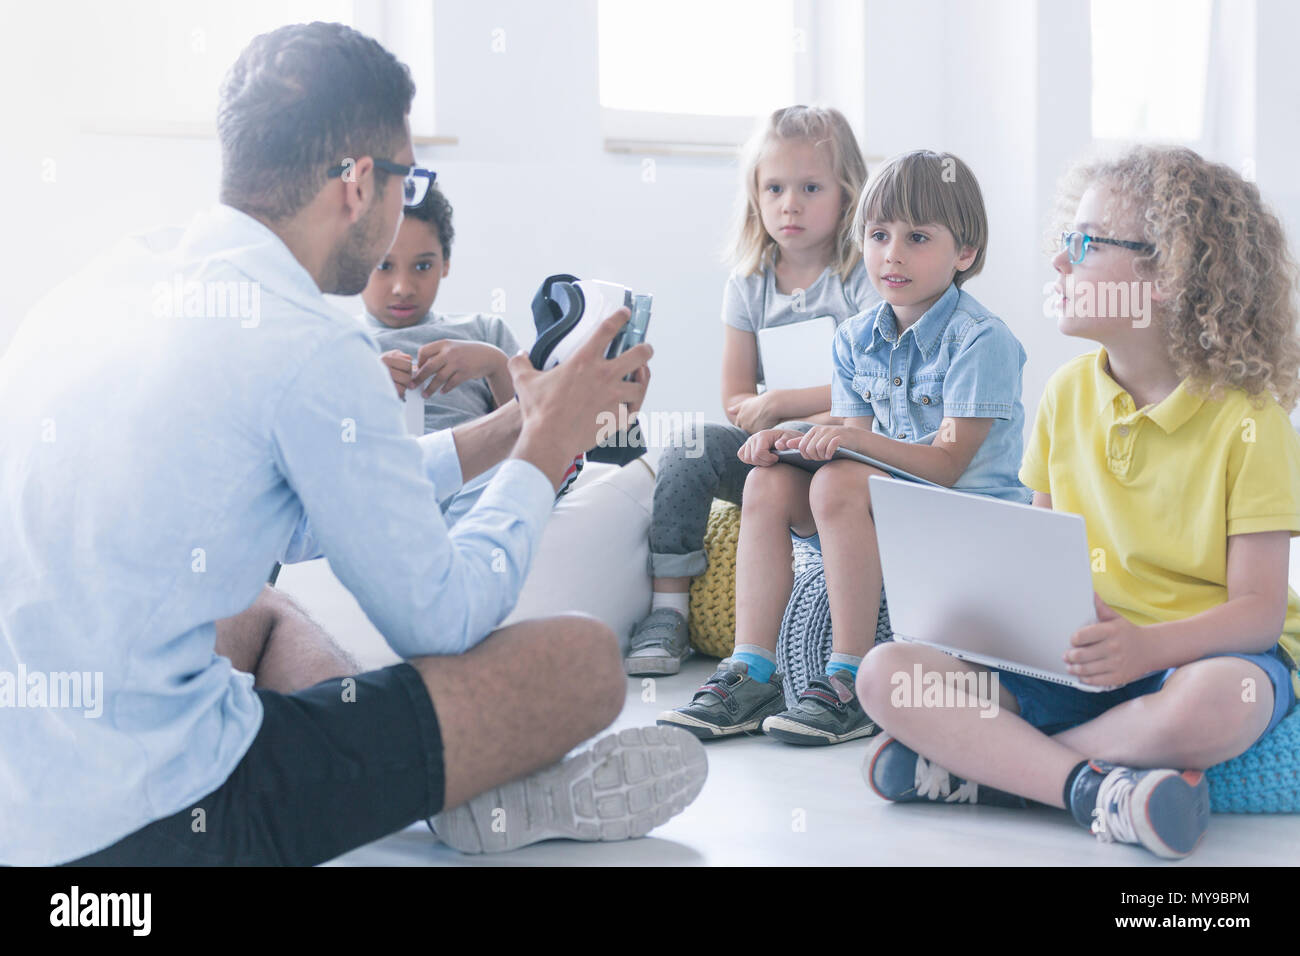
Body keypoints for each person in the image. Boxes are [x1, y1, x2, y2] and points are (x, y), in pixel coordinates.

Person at [0, 21, 706, 866]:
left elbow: (285, 512)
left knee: (260, 608)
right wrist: (548, 448)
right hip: (159, 823)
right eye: (409, 180)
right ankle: (472, 792)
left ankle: (439, 784)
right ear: (360, 181)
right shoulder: (307, 341)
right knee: (585, 659)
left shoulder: (110, 280)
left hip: (24, 808)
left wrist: (519, 421)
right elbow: (440, 620)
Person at [858, 145, 1300, 859]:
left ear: (1168, 274)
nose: (1059, 264)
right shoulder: (1066, 394)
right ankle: (1091, 788)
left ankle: (1006, 774)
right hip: (1075, 660)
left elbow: (1256, 617)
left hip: (1192, 658)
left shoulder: (1250, 422)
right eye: (1067, 242)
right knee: (887, 674)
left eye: (1086, 245)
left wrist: (1146, 647)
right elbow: (1039, 558)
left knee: (1225, 701)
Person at [658, 150, 1030, 744]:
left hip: (965, 514)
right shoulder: (856, 338)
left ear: (965, 254)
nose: (892, 254)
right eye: (879, 235)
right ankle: (752, 670)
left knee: (839, 477)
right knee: (769, 480)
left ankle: (850, 674)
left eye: (917, 237)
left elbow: (946, 465)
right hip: (891, 503)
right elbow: (852, 449)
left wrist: (852, 440)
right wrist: (798, 440)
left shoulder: (980, 340)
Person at [624, 105, 878, 676]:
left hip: (844, 453)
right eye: (775, 188)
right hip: (774, 454)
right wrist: (764, 415)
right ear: (755, 195)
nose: (790, 203)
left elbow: (875, 388)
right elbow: (736, 399)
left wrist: (786, 404)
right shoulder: (748, 285)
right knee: (690, 445)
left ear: (847, 195)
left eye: (811, 187)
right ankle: (669, 610)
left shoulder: (864, 277)